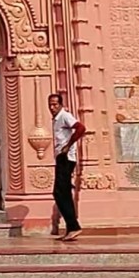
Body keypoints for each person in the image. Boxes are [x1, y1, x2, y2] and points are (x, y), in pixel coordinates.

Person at [48, 91, 85, 241]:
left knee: (59, 192)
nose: (52, 107)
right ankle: (71, 228)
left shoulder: (64, 116)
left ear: (61, 104)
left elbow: (81, 128)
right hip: (61, 157)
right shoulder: (57, 119)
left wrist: (68, 146)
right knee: (62, 193)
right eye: (50, 105)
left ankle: (74, 226)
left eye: (55, 104)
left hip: (66, 158)